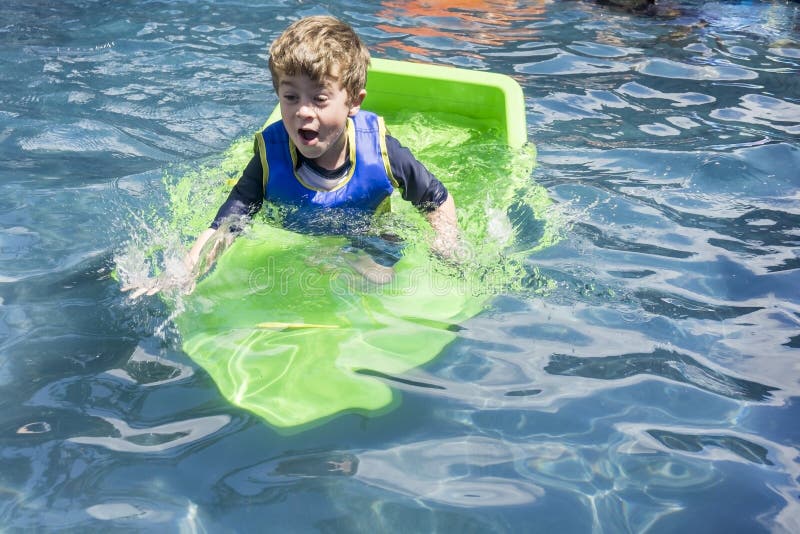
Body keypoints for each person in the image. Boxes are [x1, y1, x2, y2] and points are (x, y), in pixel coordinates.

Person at [125, 16, 458, 297]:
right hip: (294, 238)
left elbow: (437, 199)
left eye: (319, 98)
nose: (303, 111)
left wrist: (447, 242)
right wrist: (185, 273)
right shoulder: (270, 158)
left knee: (377, 279)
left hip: (367, 231)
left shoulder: (383, 151)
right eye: (290, 97)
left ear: (353, 102)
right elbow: (226, 224)